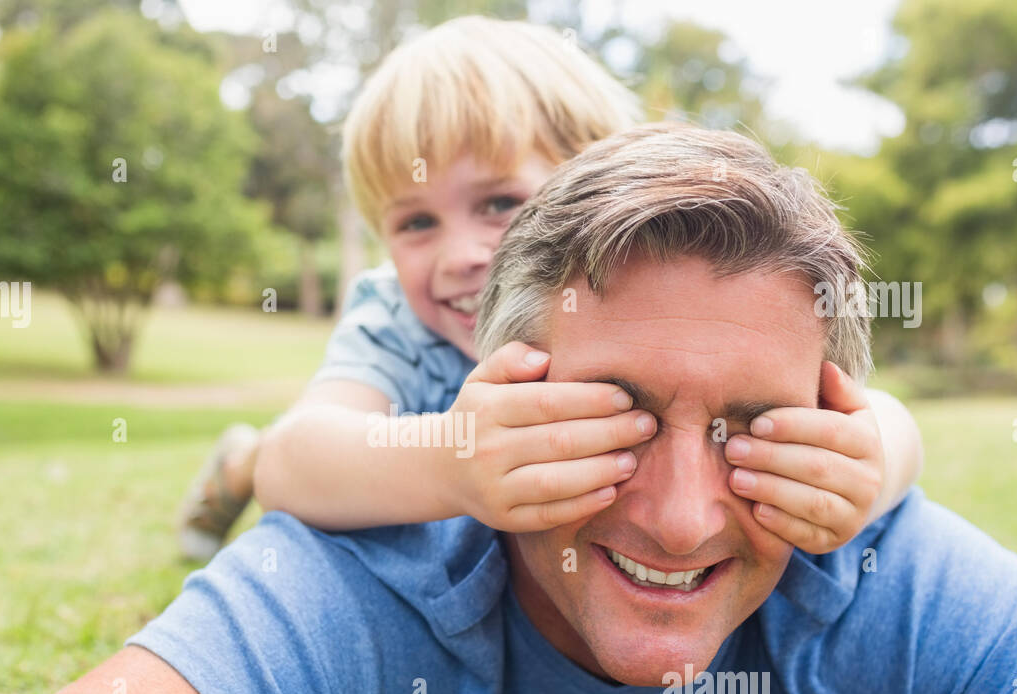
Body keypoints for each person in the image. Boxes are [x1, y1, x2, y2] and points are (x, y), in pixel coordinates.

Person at [0, 124, 1017, 694]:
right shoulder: (373, 568)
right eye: (611, 415)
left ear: (834, 423)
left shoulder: (870, 565)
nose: (680, 513)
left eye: (753, 428)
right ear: (496, 389)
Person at [176, 15, 923, 564]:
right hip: (371, 461)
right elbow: (298, 461)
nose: (460, 256)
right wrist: (448, 465)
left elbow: (885, 421)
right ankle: (231, 461)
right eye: (415, 223)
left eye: (500, 205)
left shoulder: (656, 312)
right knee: (266, 450)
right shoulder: (394, 319)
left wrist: (871, 466)